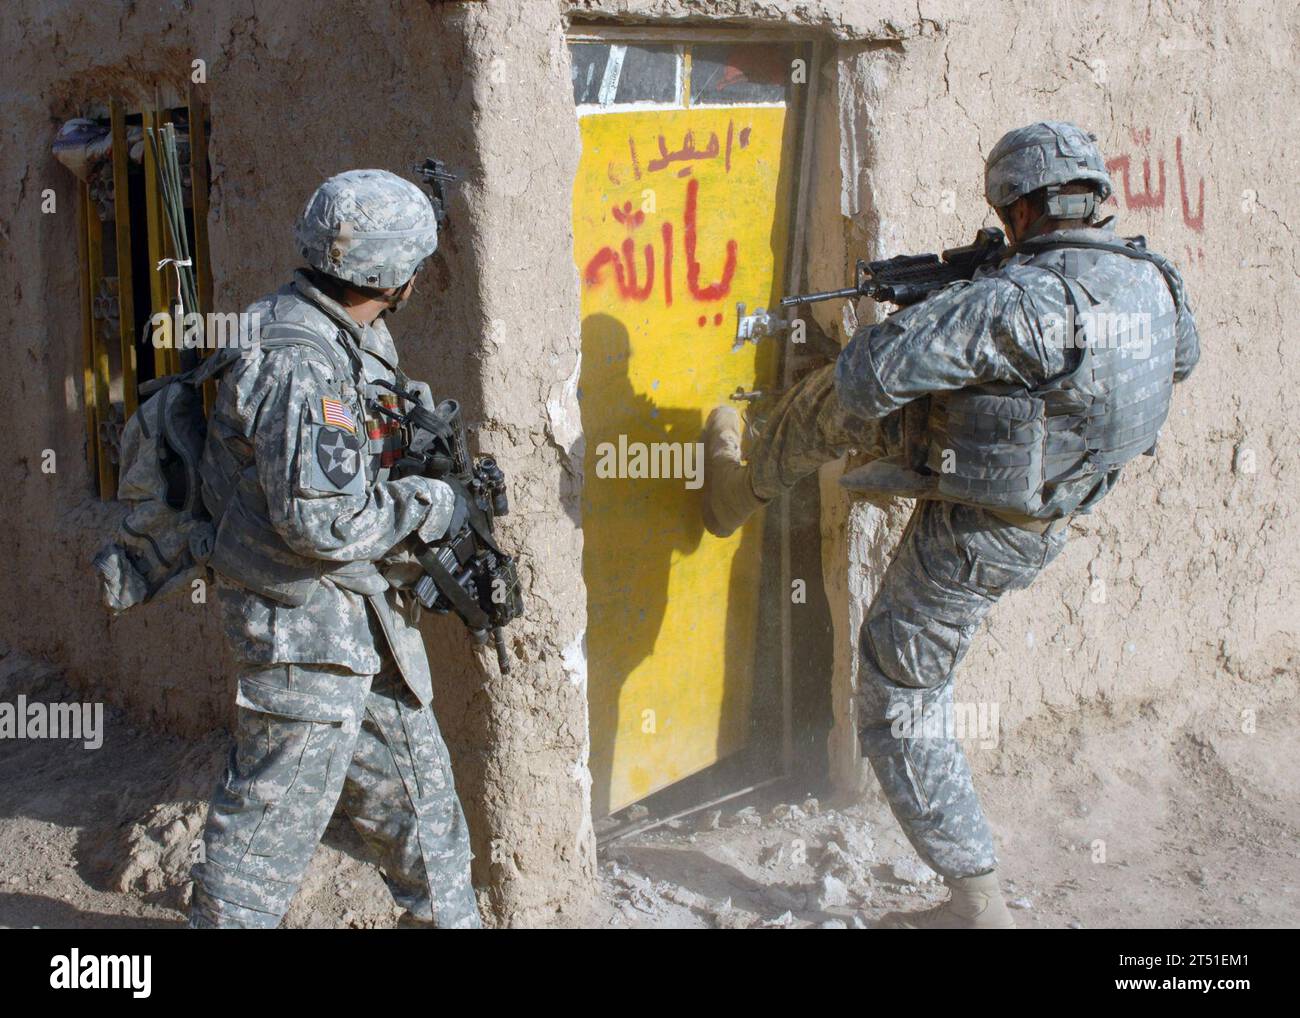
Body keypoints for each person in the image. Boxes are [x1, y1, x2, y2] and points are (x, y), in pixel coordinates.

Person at [702, 122, 1200, 928]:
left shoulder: (1020, 300)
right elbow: (1181, 359)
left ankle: (978, 905)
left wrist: (955, 319)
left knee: (899, 688)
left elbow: (869, 380)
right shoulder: (1156, 280)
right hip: (1054, 503)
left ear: (1018, 211)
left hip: (983, 527)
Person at [189, 169, 480, 928]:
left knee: (428, 826)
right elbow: (319, 522)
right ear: (393, 274)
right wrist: (431, 505)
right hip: (304, 638)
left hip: (363, 628)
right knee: (263, 840)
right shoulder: (299, 359)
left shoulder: (347, 336)